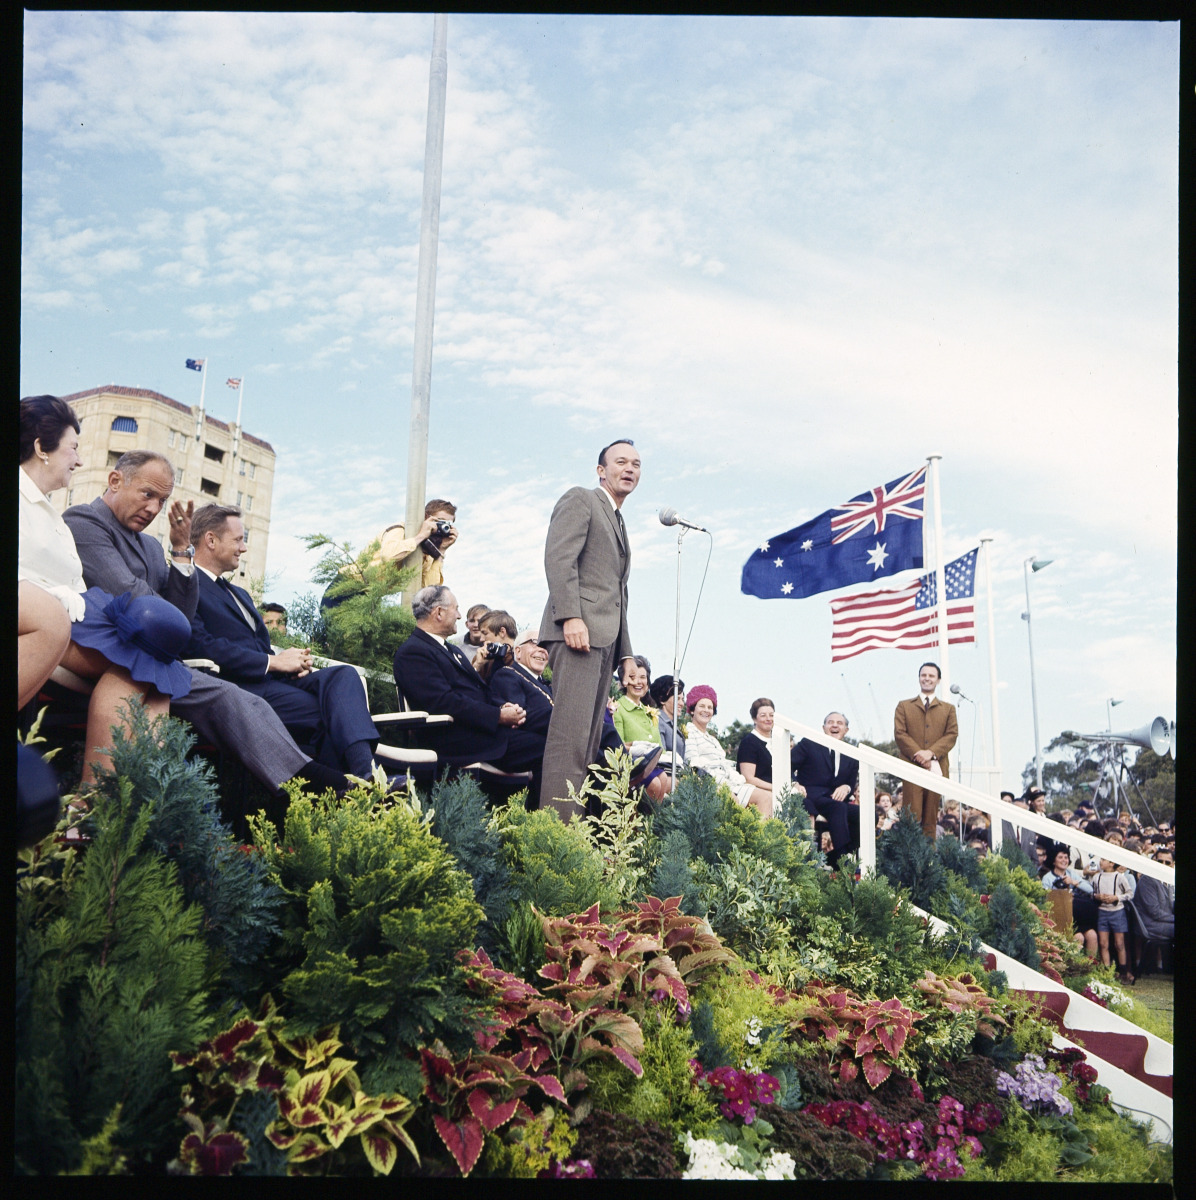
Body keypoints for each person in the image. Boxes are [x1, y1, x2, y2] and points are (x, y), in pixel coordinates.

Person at [64, 449, 350, 797]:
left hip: (156, 661)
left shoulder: (154, 549)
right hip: (106, 654)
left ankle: (310, 781)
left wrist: (183, 551)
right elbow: (130, 596)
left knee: (239, 699)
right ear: (115, 481)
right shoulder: (83, 521)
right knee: (230, 697)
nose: (154, 509)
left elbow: (179, 623)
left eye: (162, 499)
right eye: (147, 494)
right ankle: (319, 785)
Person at [20, 395, 189, 787]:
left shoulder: (50, 513)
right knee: (148, 665)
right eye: (73, 448)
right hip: (45, 614)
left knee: (161, 675)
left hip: (77, 615)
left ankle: (128, 796)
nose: (79, 460)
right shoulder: (52, 508)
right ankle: (95, 797)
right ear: (42, 448)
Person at [184, 504, 383, 779]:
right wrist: (273, 662)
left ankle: (363, 775)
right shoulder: (185, 585)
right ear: (210, 540)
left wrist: (290, 662)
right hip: (239, 689)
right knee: (330, 713)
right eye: (239, 540)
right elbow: (201, 646)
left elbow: (256, 644)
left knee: (344, 676)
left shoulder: (238, 593)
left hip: (274, 682)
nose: (243, 548)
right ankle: (357, 787)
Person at [537, 439, 640, 819]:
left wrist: (626, 654)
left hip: (605, 643)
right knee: (570, 739)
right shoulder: (581, 499)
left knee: (589, 741)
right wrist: (570, 617)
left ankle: (572, 830)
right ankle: (554, 835)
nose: (630, 469)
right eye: (621, 462)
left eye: (636, 464)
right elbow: (558, 558)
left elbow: (618, 595)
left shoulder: (618, 520)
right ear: (601, 470)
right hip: (577, 633)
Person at [393, 586, 545, 795]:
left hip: (483, 732)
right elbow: (443, 702)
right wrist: (498, 715)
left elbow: (477, 692)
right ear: (438, 613)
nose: (458, 616)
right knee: (551, 749)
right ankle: (549, 819)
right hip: (459, 741)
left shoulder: (451, 650)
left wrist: (502, 707)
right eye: (456, 609)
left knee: (554, 738)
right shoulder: (413, 652)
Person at [322, 499, 459, 610]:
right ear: (426, 517)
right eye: (440, 521)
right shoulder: (400, 529)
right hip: (348, 586)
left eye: (448, 525)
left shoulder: (427, 553)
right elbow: (388, 556)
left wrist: (441, 552)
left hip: (370, 596)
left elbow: (429, 591)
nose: (443, 528)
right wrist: (420, 536)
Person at [684, 685, 772, 817]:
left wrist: (736, 779)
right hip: (710, 784)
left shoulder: (713, 740)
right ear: (692, 709)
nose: (706, 710)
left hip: (730, 783)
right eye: (702, 706)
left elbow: (725, 765)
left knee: (767, 797)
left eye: (710, 707)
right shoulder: (689, 733)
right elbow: (694, 765)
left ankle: (760, 836)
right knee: (733, 801)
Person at [893, 662, 958, 839]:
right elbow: (900, 734)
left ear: (938, 680)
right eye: (924, 675)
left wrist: (931, 753)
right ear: (919, 678)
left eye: (931, 676)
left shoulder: (948, 709)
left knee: (930, 818)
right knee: (911, 817)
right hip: (911, 767)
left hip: (936, 768)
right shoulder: (904, 706)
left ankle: (928, 861)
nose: (927, 679)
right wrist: (919, 754)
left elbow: (951, 735)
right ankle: (909, 859)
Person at [790, 711, 861, 867]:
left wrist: (846, 786)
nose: (834, 725)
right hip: (811, 796)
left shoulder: (852, 753)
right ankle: (843, 860)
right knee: (838, 808)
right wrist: (794, 783)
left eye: (839, 723)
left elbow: (850, 783)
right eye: (830, 722)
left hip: (835, 799)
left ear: (846, 730)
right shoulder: (809, 744)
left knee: (867, 815)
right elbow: (786, 763)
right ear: (823, 728)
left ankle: (835, 858)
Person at [611, 656, 673, 801]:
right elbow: (617, 746)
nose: (639, 682)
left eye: (643, 677)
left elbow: (659, 748)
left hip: (653, 766)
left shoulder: (649, 712)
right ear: (625, 680)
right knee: (656, 783)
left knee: (663, 778)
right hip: (630, 768)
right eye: (632, 677)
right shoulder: (618, 709)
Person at [490, 626, 554, 738]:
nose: (543, 650)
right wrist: (564, 716)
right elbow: (521, 718)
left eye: (546, 646)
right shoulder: (507, 675)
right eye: (535, 643)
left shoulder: (546, 683)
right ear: (518, 651)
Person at [1041, 845, 1099, 958]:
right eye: (1060, 857)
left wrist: (1074, 882)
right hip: (1060, 916)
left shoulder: (1071, 873)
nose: (1064, 860)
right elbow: (1044, 899)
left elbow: (1090, 889)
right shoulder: (1047, 878)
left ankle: (1090, 966)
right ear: (1054, 860)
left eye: (1066, 857)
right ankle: (1074, 967)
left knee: (1092, 935)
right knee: (1079, 938)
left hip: (1076, 915)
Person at [1092, 854, 1135, 984]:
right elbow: (1092, 892)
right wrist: (1097, 896)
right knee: (1103, 943)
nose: (1101, 861)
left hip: (1117, 912)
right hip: (1102, 912)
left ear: (1111, 863)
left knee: (1119, 943)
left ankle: (1123, 972)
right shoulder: (1096, 877)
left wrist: (1116, 898)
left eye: (1104, 859)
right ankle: (1107, 972)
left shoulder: (1119, 877)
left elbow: (1130, 893)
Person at [649, 674, 686, 769]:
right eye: (677, 699)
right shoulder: (658, 721)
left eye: (682, 699)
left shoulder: (672, 725)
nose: (682, 703)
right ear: (662, 699)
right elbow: (661, 756)